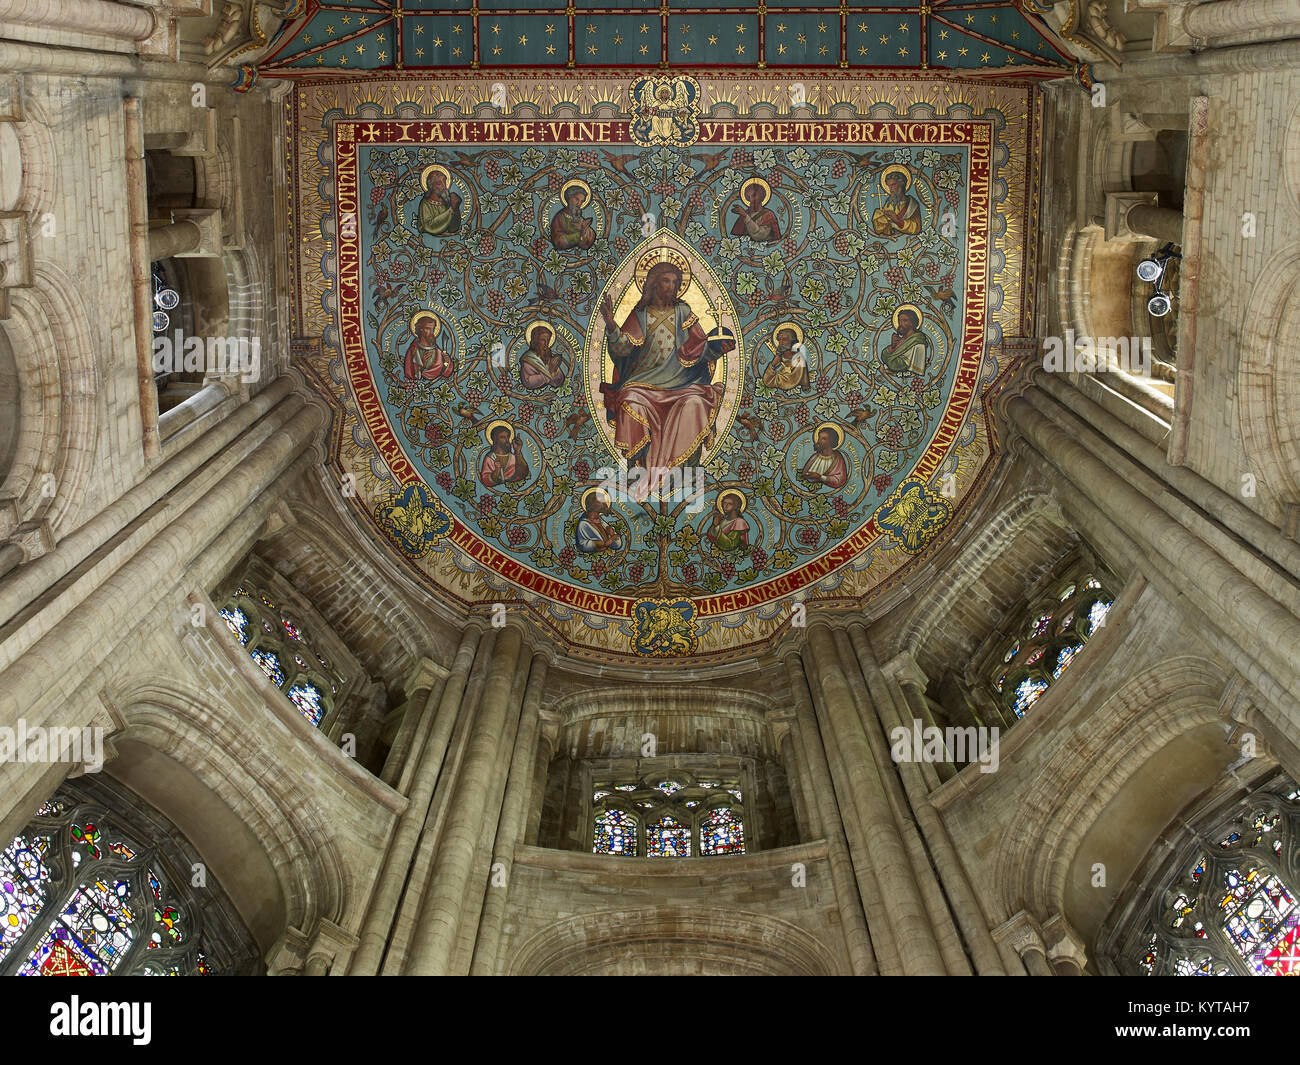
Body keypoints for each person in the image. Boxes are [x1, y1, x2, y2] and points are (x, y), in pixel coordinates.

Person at [598, 259, 733, 479]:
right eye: (666, 281)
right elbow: (622, 350)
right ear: (653, 284)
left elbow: (699, 349)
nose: (671, 286)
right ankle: (639, 467)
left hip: (682, 383)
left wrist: (717, 348)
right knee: (630, 401)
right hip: (643, 383)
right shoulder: (640, 314)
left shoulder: (683, 312)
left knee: (697, 403)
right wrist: (612, 325)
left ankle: (684, 471)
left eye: (675, 282)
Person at [871, 167, 922, 238]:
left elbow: (916, 227)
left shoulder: (912, 204)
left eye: (893, 185)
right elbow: (883, 229)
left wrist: (897, 221)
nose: (890, 189)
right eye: (889, 186)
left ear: (901, 184)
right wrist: (880, 219)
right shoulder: (889, 203)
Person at [880, 308, 930, 375]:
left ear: (912, 323)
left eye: (905, 320)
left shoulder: (917, 343)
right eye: (899, 321)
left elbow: (898, 365)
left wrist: (889, 360)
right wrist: (893, 346)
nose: (901, 324)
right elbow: (884, 356)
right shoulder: (902, 340)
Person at [403, 315, 453, 381]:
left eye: (433, 329)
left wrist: (447, 362)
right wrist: (422, 365)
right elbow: (410, 374)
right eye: (428, 329)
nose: (432, 332)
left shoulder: (437, 351)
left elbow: (445, 373)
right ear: (421, 329)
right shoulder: (413, 350)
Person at [799, 425, 849, 490]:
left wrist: (820, 477)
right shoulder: (814, 457)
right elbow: (804, 474)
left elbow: (840, 480)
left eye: (824, 439)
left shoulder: (838, 459)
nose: (819, 441)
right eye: (819, 437)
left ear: (831, 441)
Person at [549, 185, 596, 250]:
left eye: (582, 201)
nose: (579, 204)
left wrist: (584, 230)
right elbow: (558, 242)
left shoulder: (579, 218)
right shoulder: (560, 217)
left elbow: (589, 241)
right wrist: (580, 234)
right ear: (569, 198)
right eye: (577, 199)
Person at [418, 169, 462, 237]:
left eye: (444, 181)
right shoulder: (425, 204)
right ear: (431, 186)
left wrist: (456, 208)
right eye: (439, 183)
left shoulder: (446, 201)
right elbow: (429, 226)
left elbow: (453, 228)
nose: (444, 186)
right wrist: (451, 209)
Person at [519, 325, 565, 390]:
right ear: (535, 341)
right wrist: (550, 370)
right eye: (543, 340)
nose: (546, 344)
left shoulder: (546, 356)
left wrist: (555, 369)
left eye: (548, 340)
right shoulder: (528, 359)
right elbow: (528, 382)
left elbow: (559, 380)